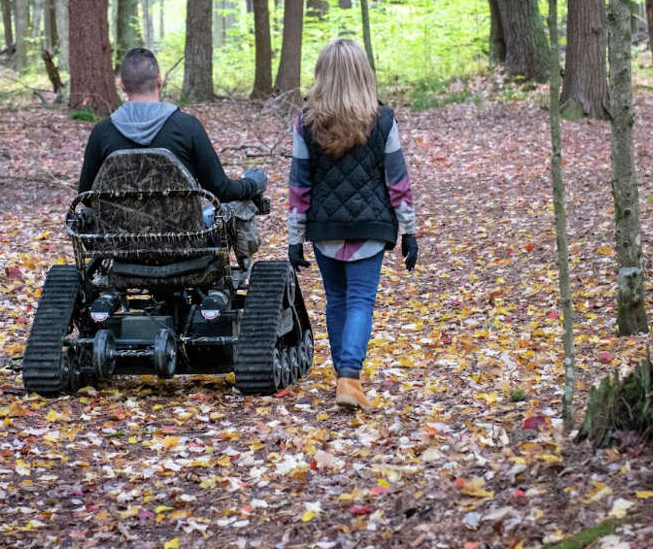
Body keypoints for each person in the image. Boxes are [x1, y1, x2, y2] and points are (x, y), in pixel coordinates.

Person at [287, 39, 418, 411]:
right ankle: (349, 377)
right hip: (370, 228)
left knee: (337, 300)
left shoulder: (307, 122)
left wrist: (294, 238)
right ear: (363, 74)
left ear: (322, 75)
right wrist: (409, 230)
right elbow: (398, 181)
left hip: (325, 228)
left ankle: (344, 378)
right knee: (360, 300)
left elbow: (299, 185)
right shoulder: (383, 119)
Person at [77, 48, 267, 201]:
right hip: (185, 245)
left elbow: (86, 196)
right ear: (159, 81)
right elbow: (221, 190)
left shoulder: (102, 133)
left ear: (123, 86)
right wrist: (253, 182)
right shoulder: (187, 127)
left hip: (117, 245)